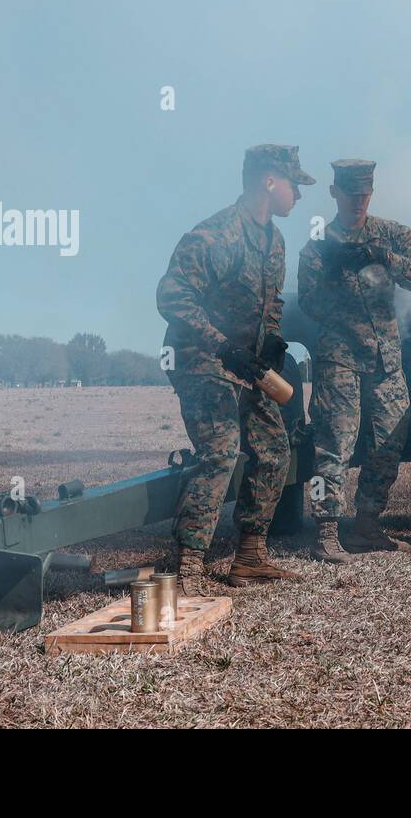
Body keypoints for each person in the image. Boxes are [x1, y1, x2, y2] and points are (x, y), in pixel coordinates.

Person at [155, 144, 315, 593]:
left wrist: (271, 343)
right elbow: (172, 296)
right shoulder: (216, 235)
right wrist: (223, 345)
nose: (298, 197)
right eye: (293, 185)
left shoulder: (274, 240)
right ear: (269, 181)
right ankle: (187, 564)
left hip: (245, 368)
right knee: (222, 451)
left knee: (274, 451)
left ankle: (249, 556)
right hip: (201, 361)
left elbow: (271, 304)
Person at [296, 159, 411, 563]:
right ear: (334, 193)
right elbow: (309, 304)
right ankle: (327, 530)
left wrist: (384, 257)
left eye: (365, 195)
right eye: (351, 195)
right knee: (333, 445)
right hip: (340, 360)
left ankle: (368, 523)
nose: (358, 202)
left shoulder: (391, 234)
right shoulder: (318, 244)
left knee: (391, 442)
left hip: (386, 358)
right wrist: (334, 276)